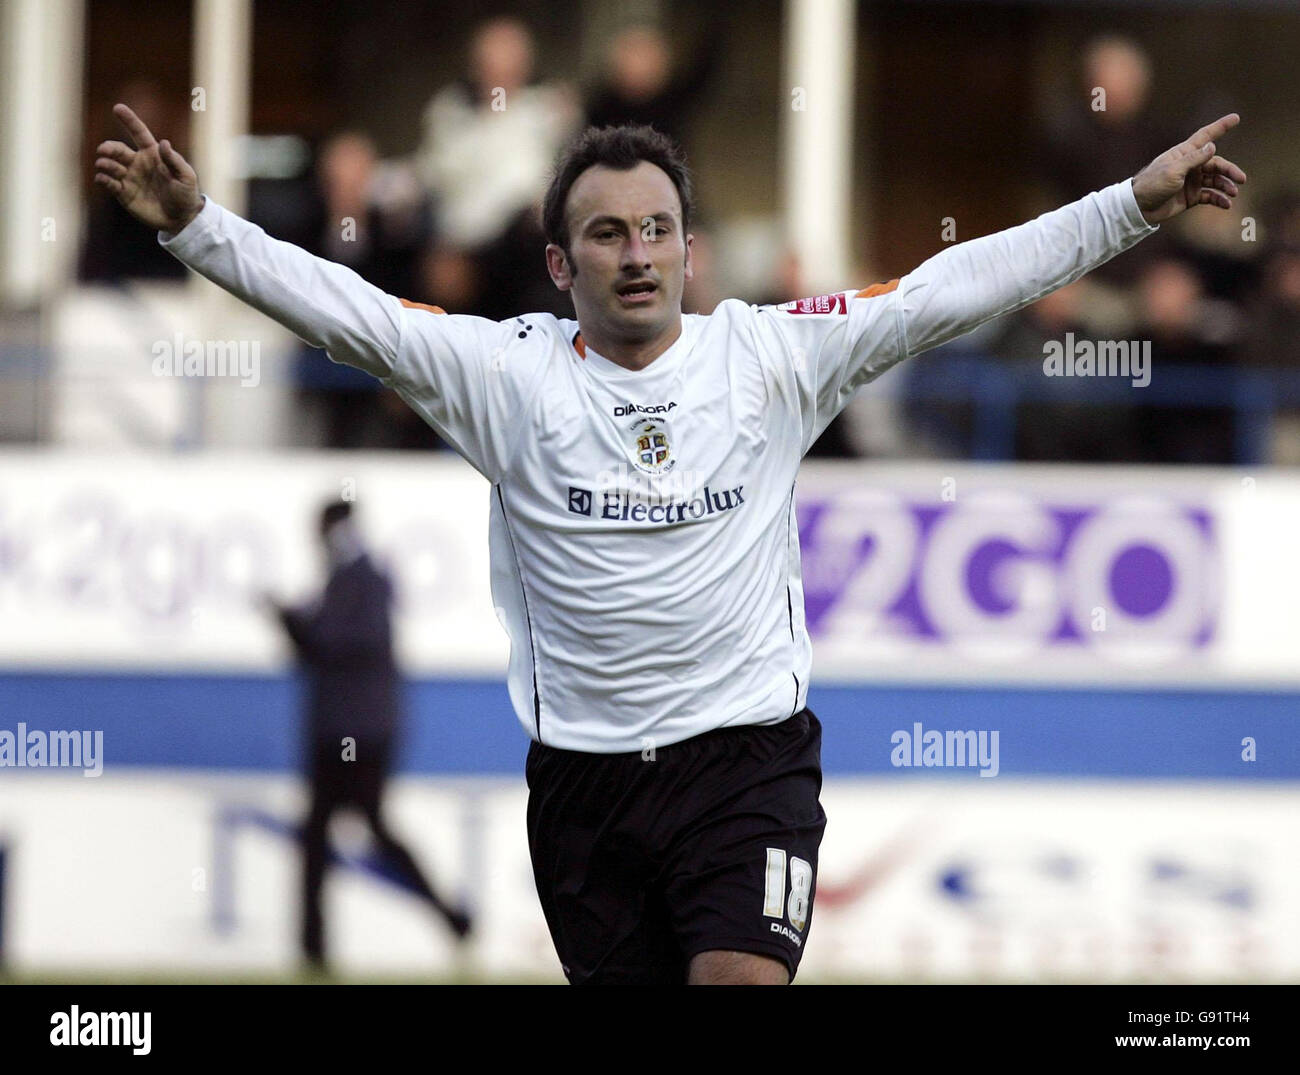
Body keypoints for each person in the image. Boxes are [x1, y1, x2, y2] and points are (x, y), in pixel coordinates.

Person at [96, 104, 1245, 984]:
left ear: (690, 250)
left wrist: (1129, 205)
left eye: (658, 230)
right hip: (585, 791)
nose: (637, 253)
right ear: (561, 265)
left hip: (746, 765)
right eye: (606, 233)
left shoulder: (771, 357)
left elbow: (948, 289)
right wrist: (201, 228)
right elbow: (346, 310)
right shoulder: (505, 376)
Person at [263, 499, 471, 970]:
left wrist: (295, 620)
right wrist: (291, 622)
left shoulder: (366, 581)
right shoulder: (342, 583)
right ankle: (316, 949)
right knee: (331, 833)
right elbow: (319, 650)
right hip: (341, 730)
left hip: (356, 734)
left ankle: (446, 917)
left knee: (349, 830)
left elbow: (340, 644)